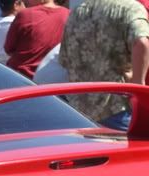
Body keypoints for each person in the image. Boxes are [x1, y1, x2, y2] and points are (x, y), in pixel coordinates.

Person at [60, 0, 149, 130]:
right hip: (118, 108)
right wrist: (138, 84)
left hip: (80, 113)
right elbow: (142, 42)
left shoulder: (77, 13)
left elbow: (65, 60)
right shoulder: (131, 8)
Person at [4, 0, 68, 78]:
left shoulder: (25, 14)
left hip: (21, 77)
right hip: (52, 78)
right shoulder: (68, 15)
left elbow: (8, 48)